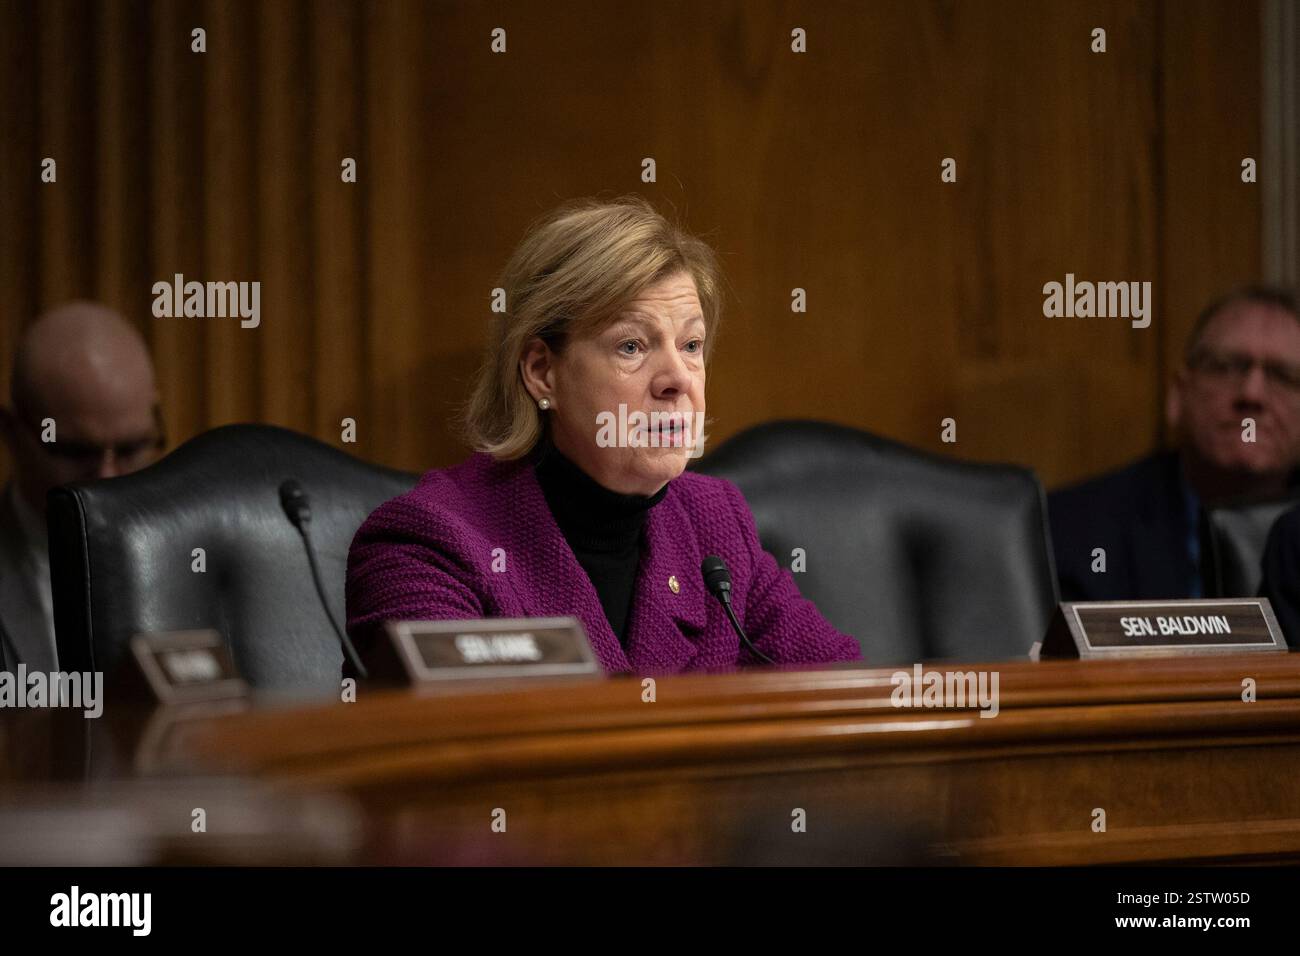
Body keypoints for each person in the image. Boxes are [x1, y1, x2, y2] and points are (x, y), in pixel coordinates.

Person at [346, 195, 861, 674]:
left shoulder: (715, 525)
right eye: (632, 346)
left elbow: (847, 701)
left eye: (691, 344)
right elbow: (451, 756)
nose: (678, 379)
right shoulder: (430, 543)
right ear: (543, 372)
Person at [1050, 285, 1300, 601]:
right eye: (1226, 367)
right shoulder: (1068, 533)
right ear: (1178, 396)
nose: (1252, 394)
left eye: (1283, 376)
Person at [0, 302, 164, 670]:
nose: (107, 480)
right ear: (11, 433)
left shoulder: (192, 561)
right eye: (76, 452)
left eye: (131, 448)